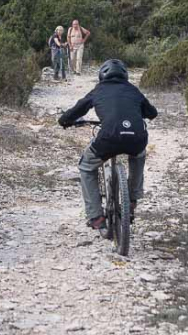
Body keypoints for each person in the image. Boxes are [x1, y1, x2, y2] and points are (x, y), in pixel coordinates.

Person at [58, 59, 157, 230]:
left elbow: (78, 108)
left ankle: (96, 216)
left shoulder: (98, 90)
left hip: (108, 138)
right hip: (136, 138)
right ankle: (132, 199)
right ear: (125, 75)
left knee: (86, 166)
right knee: (139, 154)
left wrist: (64, 120)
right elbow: (152, 113)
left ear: (101, 76)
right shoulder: (133, 90)